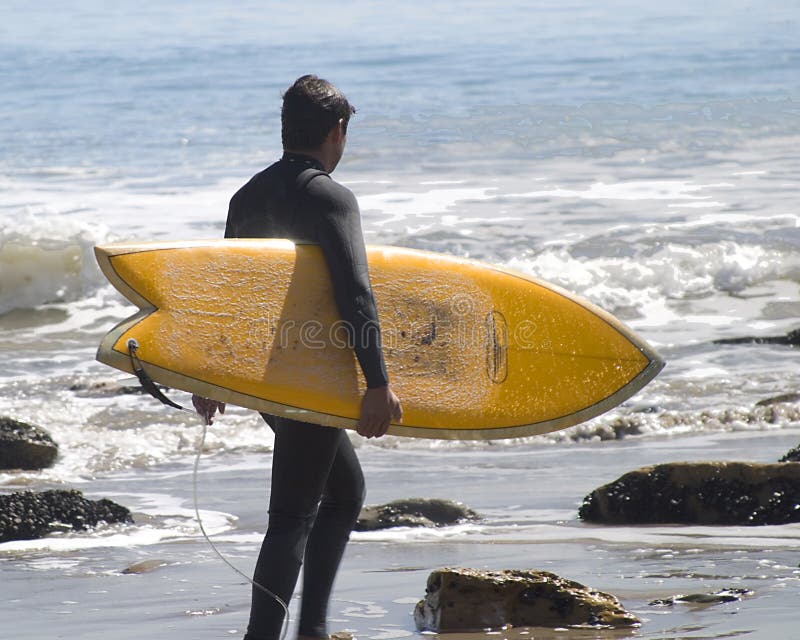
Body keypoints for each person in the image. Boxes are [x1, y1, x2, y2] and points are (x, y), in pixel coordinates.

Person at [192, 75, 403, 640]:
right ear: (337, 131)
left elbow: (230, 295)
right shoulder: (329, 197)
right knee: (292, 515)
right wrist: (377, 382)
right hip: (313, 375)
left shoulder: (248, 196)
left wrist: (211, 373)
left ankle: (310, 629)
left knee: (344, 492)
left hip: (268, 377)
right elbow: (354, 293)